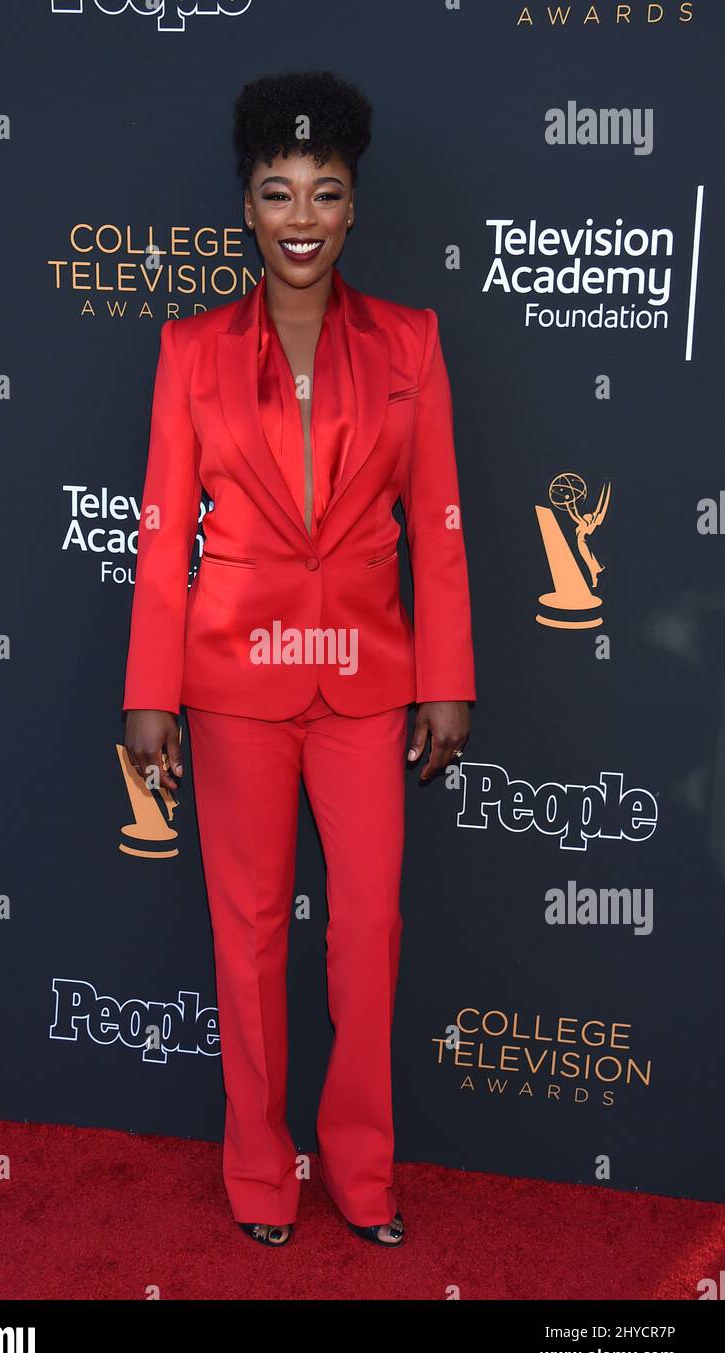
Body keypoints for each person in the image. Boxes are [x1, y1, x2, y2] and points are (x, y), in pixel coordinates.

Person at [123, 71, 475, 1248]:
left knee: (367, 931)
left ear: (354, 206)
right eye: (278, 193)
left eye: (324, 192)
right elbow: (164, 528)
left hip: (368, 683)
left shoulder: (412, 342)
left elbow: (437, 523)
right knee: (251, 933)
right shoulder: (189, 352)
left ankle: (362, 1176)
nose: (302, 215)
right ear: (248, 210)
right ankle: (259, 1173)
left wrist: (446, 678)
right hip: (232, 684)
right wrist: (148, 696)